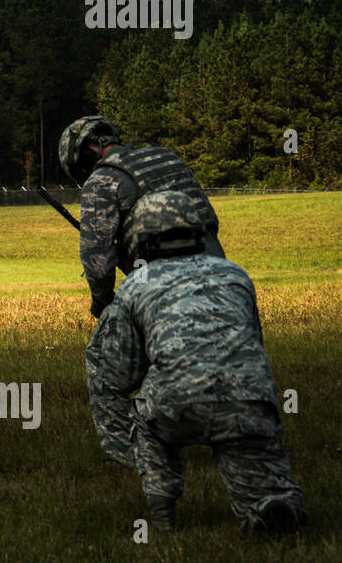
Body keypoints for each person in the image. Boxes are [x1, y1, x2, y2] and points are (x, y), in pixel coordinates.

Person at [86, 191, 305, 533]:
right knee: (253, 456)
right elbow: (253, 342)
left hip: (177, 406)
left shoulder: (135, 286)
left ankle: (162, 515)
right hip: (249, 399)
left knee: (147, 423)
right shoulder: (235, 275)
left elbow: (121, 374)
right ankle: (268, 504)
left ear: (139, 236)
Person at [58, 115, 223, 318]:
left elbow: (97, 260)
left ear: (81, 155)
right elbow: (209, 219)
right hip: (218, 271)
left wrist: (103, 306)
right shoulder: (165, 156)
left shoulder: (101, 180)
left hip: (161, 287)